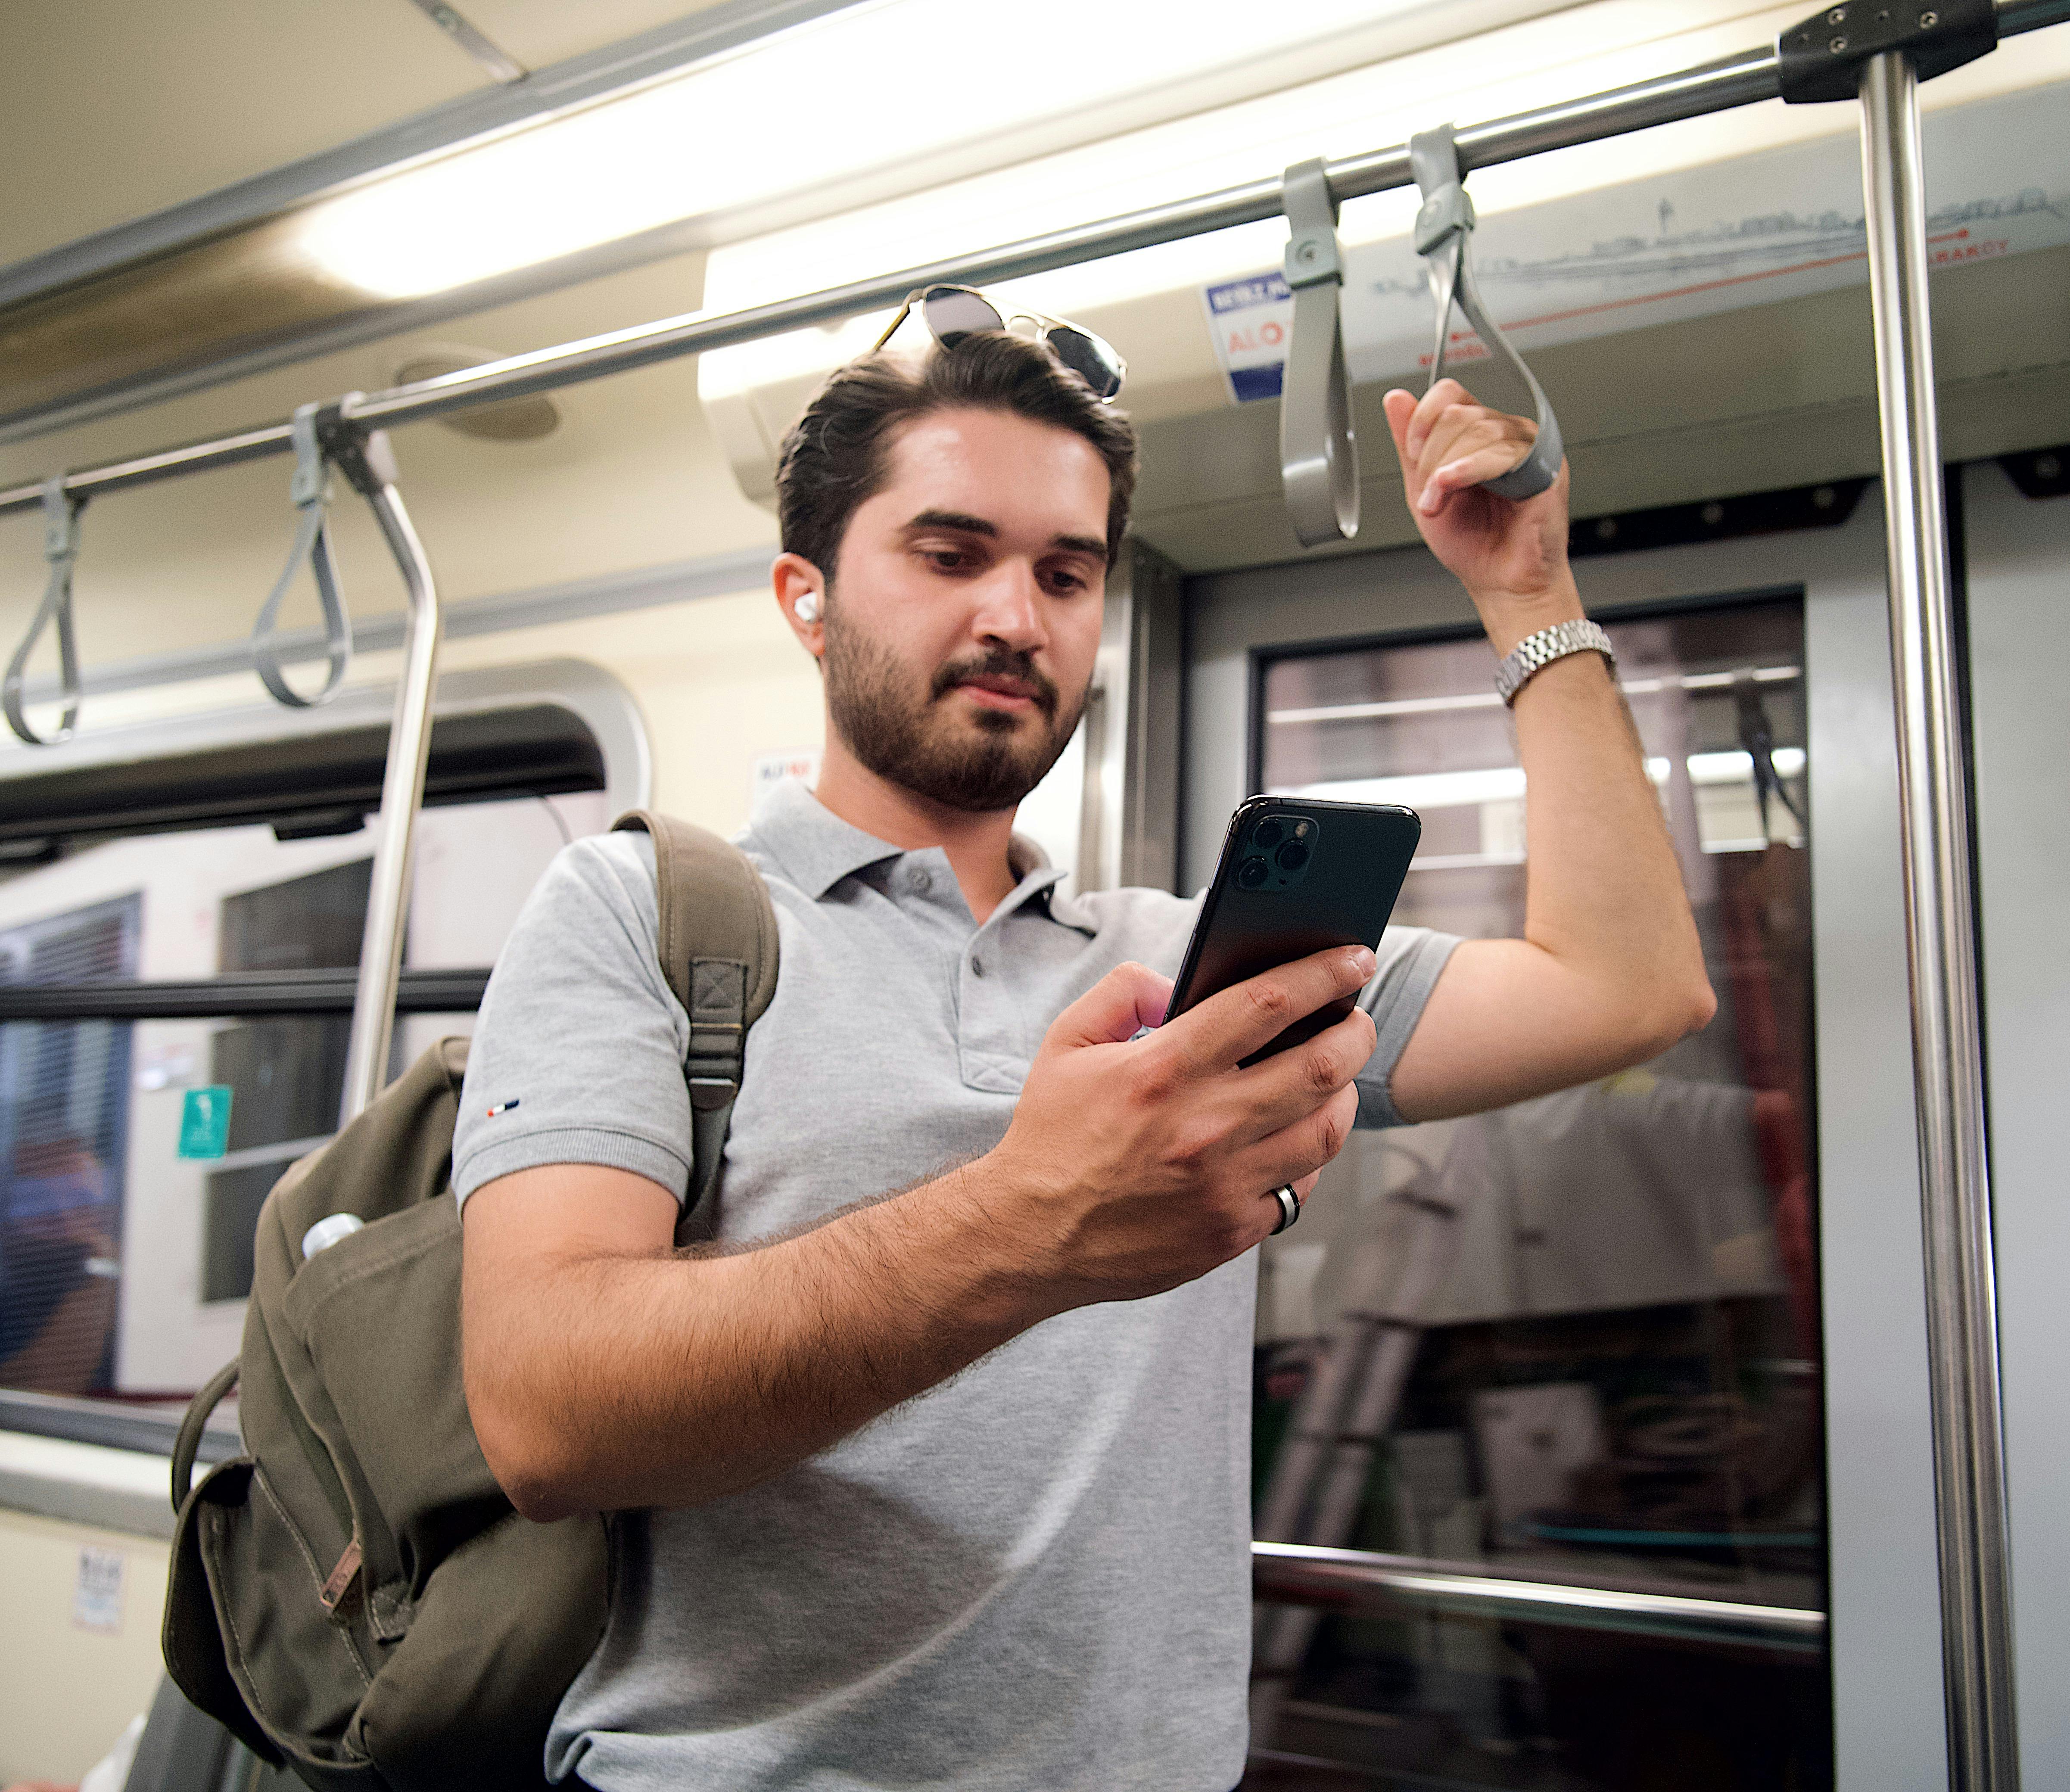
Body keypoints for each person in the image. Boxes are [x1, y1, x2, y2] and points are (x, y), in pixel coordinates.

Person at [455, 323, 1714, 1790]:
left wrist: (1529, 599)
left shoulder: (1178, 968)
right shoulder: (643, 913)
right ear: (807, 598)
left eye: (1066, 573)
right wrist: (1035, 1220)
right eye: (950, 554)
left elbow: (1627, 988)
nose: (1019, 615)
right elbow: (544, 1413)